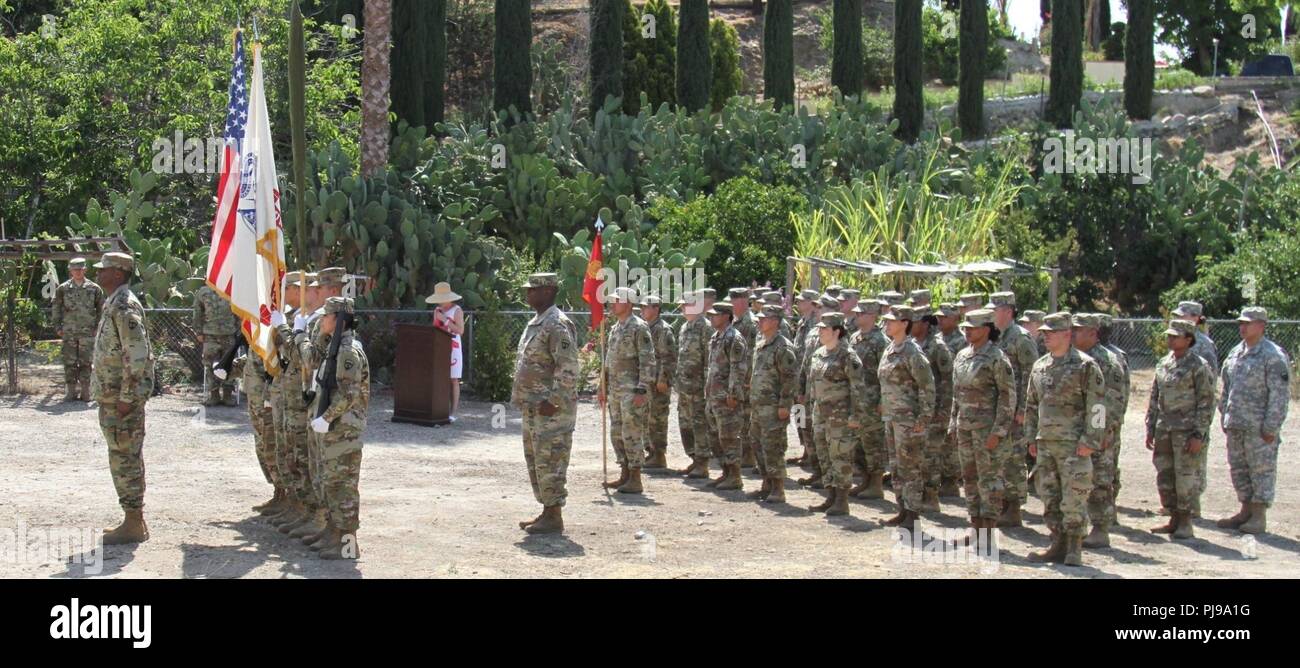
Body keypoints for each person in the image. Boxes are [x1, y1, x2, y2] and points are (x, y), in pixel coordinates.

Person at [1024, 312, 1105, 567]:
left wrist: (1090, 440)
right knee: (1049, 496)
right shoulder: (1040, 366)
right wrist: (1031, 438)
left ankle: (1074, 547)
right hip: (1046, 443)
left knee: (1074, 497)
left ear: (1067, 334)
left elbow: (1098, 408)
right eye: (1044, 333)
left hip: (1074, 446)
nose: (1045, 337)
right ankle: (1057, 543)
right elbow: (1031, 405)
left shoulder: (1085, 366)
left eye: (1050, 333)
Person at [90, 252, 156, 544]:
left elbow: (137, 354)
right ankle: (132, 519)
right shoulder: (115, 302)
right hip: (113, 396)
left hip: (121, 398)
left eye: (103, 269)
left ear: (118, 273)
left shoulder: (124, 305)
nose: (98, 273)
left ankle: (133, 522)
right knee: (122, 455)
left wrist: (128, 396)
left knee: (125, 457)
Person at [511, 273, 580, 534]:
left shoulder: (557, 324)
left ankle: (554, 515)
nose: (528, 294)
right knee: (538, 461)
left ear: (549, 291)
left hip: (552, 410)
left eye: (533, 290)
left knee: (551, 459)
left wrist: (554, 400)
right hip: (534, 407)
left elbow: (569, 367)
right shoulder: (538, 322)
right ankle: (547, 511)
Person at [303, 297, 369, 559]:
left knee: (343, 485)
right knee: (329, 481)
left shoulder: (347, 352)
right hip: (333, 427)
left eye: (326, 316)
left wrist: (327, 417)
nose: (321, 320)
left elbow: (348, 394)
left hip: (344, 428)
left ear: (338, 320)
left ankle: (348, 544)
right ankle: (333, 530)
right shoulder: (334, 346)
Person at [1215, 307, 1291, 535]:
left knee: (1261, 470)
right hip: (1236, 423)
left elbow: (1279, 395)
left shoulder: (1273, 355)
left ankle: (1259, 515)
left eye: (1247, 322)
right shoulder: (1236, 352)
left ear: (1261, 325)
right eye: (1241, 322)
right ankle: (1245, 509)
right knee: (1239, 469)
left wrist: (1271, 426)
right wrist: (1224, 413)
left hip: (1259, 427)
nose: (1242, 326)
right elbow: (1227, 386)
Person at [949, 308, 1016, 547]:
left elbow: (1008, 397)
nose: (967, 331)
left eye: (973, 327)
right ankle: (975, 525)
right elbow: (957, 394)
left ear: (987, 329)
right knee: (969, 478)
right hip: (965, 427)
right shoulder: (962, 356)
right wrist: (953, 423)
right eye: (965, 327)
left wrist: (998, 432)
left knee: (989, 480)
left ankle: (988, 529)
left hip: (987, 430)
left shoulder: (997, 358)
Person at [1145, 320, 1215, 539]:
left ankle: (1185, 521)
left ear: (1188, 339)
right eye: (1169, 336)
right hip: (1164, 428)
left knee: (1184, 475)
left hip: (1186, 430)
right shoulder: (1163, 363)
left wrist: (1199, 434)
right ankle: (1173, 517)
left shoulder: (1198, 365)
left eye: (1176, 336)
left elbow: (1206, 401)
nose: (1171, 339)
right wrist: (1150, 427)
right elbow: (1155, 396)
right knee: (1165, 474)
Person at [1071, 314, 1127, 549]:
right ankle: (1081, 526)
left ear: (1093, 333)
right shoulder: (1077, 358)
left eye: (1078, 330)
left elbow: (1112, 401)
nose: (1072, 334)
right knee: (1080, 480)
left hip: (1098, 433)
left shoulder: (1106, 361)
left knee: (1100, 480)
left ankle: (1101, 529)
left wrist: (1102, 432)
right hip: (1079, 431)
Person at [878, 306, 935, 529]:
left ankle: (912, 513)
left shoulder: (913, 352)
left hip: (909, 420)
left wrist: (924, 418)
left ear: (905, 323)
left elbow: (927, 386)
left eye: (893, 321)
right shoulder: (890, 349)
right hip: (892, 418)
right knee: (896, 465)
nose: (888, 324)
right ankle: (902, 508)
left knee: (910, 467)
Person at [806, 312, 868, 516]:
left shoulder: (848, 356)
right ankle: (831, 495)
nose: (820, 331)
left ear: (837, 331)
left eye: (825, 328)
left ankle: (842, 500)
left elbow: (858, 388)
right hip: (821, 413)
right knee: (824, 455)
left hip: (841, 417)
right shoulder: (818, 353)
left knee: (840, 456)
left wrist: (856, 416)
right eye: (820, 328)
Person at [599, 287, 654, 494]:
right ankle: (624, 473)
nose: (613, 304)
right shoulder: (616, 328)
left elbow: (648, 360)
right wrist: (601, 385)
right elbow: (609, 359)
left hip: (632, 390)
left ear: (629, 303)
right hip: (615, 390)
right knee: (617, 432)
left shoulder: (638, 327)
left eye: (617, 301)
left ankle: (636, 477)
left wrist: (642, 389)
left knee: (631, 433)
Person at [990, 291, 1038, 528]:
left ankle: (1014, 508)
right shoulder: (998, 337)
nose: (991, 313)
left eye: (995, 309)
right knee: (1001, 458)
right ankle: (1004, 505)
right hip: (1001, 409)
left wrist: (1024, 409)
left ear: (1008, 311)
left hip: (1016, 411)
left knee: (1014, 459)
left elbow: (1032, 374)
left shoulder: (1021, 338)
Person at [747, 304, 798, 503]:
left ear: (775, 322)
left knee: (773, 447)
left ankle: (778, 487)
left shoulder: (783, 347)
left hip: (774, 406)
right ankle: (766, 483)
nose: (759, 321)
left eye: (764, 318)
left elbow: (789, 377)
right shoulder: (762, 342)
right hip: (759, 405)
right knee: (757, 444)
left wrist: (785, 404)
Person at [1172, 301, 1217, 518]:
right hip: (1175, 414)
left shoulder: (1203, 345)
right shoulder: (1175, 341)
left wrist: (1202, 421)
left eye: (1185, 316)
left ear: (1197, 319)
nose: (1180, 319)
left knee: (1194, 460)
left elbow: (1208, 384)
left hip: (1194, 412)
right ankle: (1178, 505)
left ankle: (1193, 505)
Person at [911, 305, 955, 506]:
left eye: (916, 321)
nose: (911, 325)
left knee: (930, 455)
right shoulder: (912, 344)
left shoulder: (938, 347)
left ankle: (931, 495)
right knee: (917, 455)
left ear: (926, 323)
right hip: (917, 410)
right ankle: (918, 494)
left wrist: (944, 412)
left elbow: (948, 381)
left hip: (936, 410)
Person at [705, 301, 750, 491]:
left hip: (726, 397)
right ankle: (726, 471)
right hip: (714, 396)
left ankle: (735, 475)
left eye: (715, 314)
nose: (712, 317)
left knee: (729, 436)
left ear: (726, 316)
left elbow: (738, 368)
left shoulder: (734, 338)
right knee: (716, 436)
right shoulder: (716, 337)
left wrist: (733, 393)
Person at [796, 294, 839, 486]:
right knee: (808, 431)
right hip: (809, 389)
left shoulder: (836, 333)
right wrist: (801, 388)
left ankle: (828, 476)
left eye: (821, 307)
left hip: (826, 393)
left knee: (825, 437)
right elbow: (806, 361)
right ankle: (817, 470)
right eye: (817, 307)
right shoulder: (813, 330)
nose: (818, 310)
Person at [848, 300, 889, 499]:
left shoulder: (881, 341)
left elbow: (886, 374)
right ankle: (865, 480)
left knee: (873, 444)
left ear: (873, 316)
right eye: (857, 313)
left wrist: (883, 400)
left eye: (861, 314)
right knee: (859, 445)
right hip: (857, 401)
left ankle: (876, 484)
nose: (857, 316)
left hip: (873, 402)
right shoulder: (854, 338)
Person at [52, 257, 103, 401]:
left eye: (80, 269)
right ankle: (71, 391)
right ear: (70, 270)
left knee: (86, 362)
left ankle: (86, 391)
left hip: (88, 332)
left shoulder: (94, 288)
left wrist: (97, 327)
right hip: (69, 331)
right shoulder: (63, 288)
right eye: (75, 269)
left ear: (85, 270)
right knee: (69, 362)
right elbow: (56, 308)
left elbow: (101, 309)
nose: (78, 272)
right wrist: (57, 327)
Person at [676, 290, 714, 478]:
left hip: (698, 387)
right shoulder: (685, 327)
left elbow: (709, 359)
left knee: (699, 424)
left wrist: (707, 385)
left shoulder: (705, 327)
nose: (683, 308)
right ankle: (694, 458)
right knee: (685, 424)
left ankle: (703, 462)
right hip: (684, 387)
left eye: (686, 304)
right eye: (683, 305)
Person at [642, 294, 677, 469]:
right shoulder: (646, 327)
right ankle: (651, 452)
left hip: (658, 382)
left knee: (658, 419)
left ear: (656, 309)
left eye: (645, 307)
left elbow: (668, 357)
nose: (642, 310)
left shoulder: (663, 329)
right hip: (648, 381)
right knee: (648, 419)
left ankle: (659, 454)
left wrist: (663, 379)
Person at [193, 282, 241, 406]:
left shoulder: (232, 291)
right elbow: (197, 312)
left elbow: (239, 313)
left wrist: (239, 331)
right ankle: (213, 395)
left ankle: (227, 396)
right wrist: (198, 331)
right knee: (209, 365)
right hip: (210, 336)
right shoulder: (203, 292)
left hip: (229, 334)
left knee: (230, 365)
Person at [788, 289, 821, 467]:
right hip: (798, 377)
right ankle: (805, 449)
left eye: (803, 301)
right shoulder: (803, 322)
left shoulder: (816, 324)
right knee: (800, 415)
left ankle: (812, 453)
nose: (799, 303)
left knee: (808, 418)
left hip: (809, 378)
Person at [425, 281, 465, 421]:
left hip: (453, 347)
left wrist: (446, 321)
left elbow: (460, 330)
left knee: (453, 379)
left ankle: (453, 412)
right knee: (440, 378)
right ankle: (439, 409)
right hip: (439, 346)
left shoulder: (457, 310)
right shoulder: (437, 311)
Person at [729, 288, 758, 469]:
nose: (732, 303)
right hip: (738, 378)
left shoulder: (752, 323)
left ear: (743, 301)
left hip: (748, 379)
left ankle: (749, 455)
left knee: (747, 417)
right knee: (739, 418)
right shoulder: (736, 322)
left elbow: (756, 353)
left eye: (735, 300)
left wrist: (750, 378)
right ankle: (744, 453)